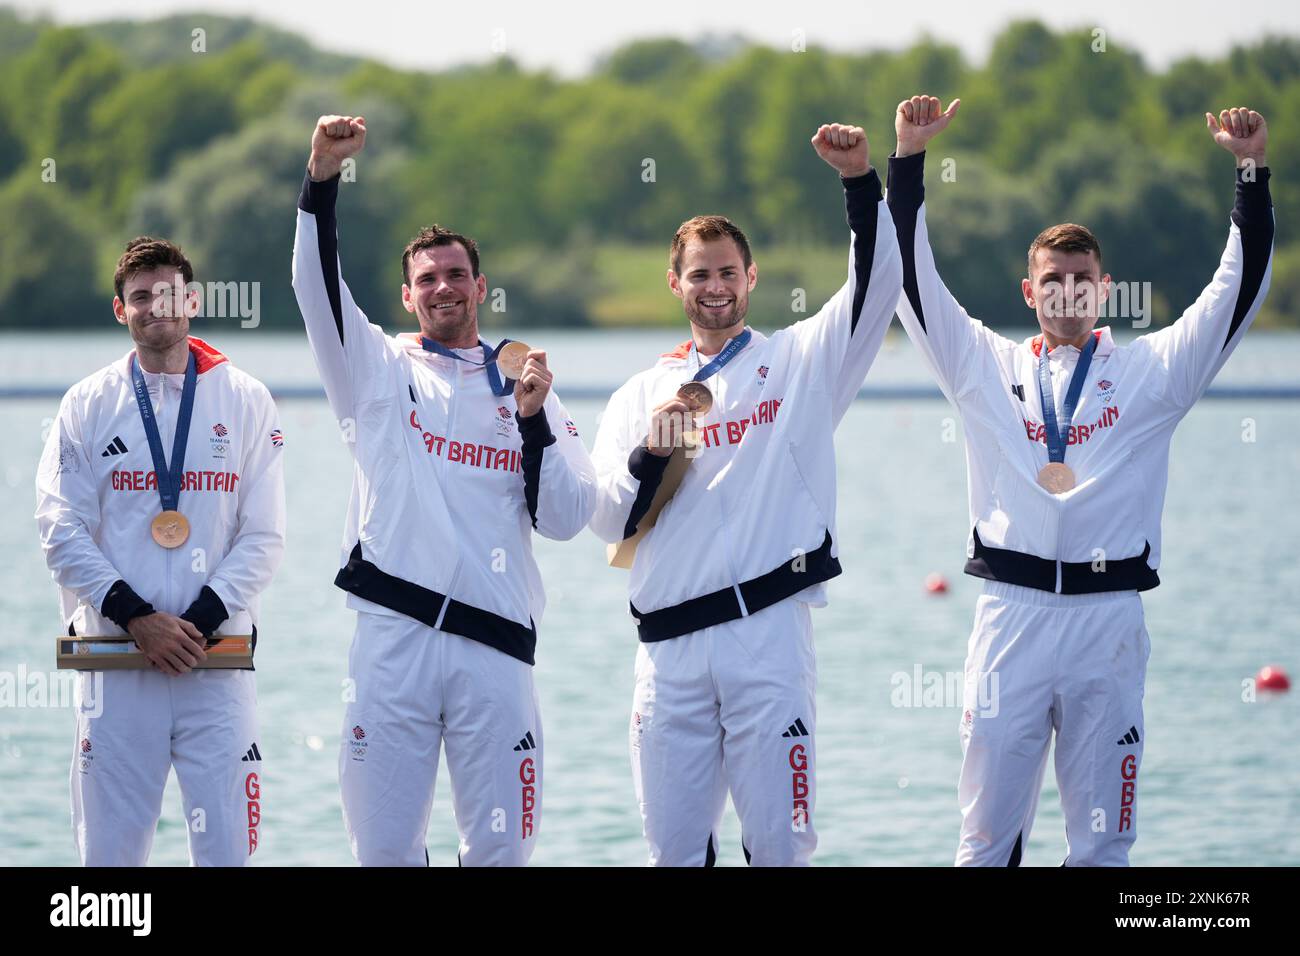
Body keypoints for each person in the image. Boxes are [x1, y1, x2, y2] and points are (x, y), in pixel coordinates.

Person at [886, 95, 1274, 865]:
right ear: (1030, 293)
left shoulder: (1152, 373)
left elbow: (1238, 290)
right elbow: (912, 281)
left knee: (1103, 846)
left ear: (1102, 291)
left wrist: (1251, 171)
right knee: (986, 841)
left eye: (1082, 278)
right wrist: (906, 158)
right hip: (1012, 618)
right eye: (1052, 279)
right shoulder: (983, 366)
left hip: (1108, 623)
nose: (1067, 289)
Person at [589, 121, 903, 866]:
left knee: (779, 847)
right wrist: (646, 454)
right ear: (675, 284)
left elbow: (878, 284)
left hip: (768, 636)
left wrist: (860, 181)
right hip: (667, 650)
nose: (716, 287)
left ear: (752, 278)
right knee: (673, 853)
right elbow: (601, 517)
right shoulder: (639, 392)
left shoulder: (800, 361)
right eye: (699, 274)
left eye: (728, 272)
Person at [292, 115, 595, 866]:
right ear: (407, 296)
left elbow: (567, 517)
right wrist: (323, 176)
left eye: (457, 274)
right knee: (385, 855)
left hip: (496, 650)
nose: (443, 288)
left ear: (482, 288)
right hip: (394, 642)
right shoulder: (376, 372)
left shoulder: (529, 385)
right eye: (427, 278)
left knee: (501, 855)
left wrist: (532, 426)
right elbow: (313, 286)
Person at [35, 236, 286, 865]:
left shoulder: (246, 398)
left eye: (169, 293)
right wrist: (139, 619)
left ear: (193, 301)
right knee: (111, 867)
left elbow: (264, 536)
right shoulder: (87, 404)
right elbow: (59, 527)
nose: (156, 307)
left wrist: (194, 626)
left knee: (228, 854)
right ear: (121, 311)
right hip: (118, 663)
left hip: (215, 662)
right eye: (140, 297)